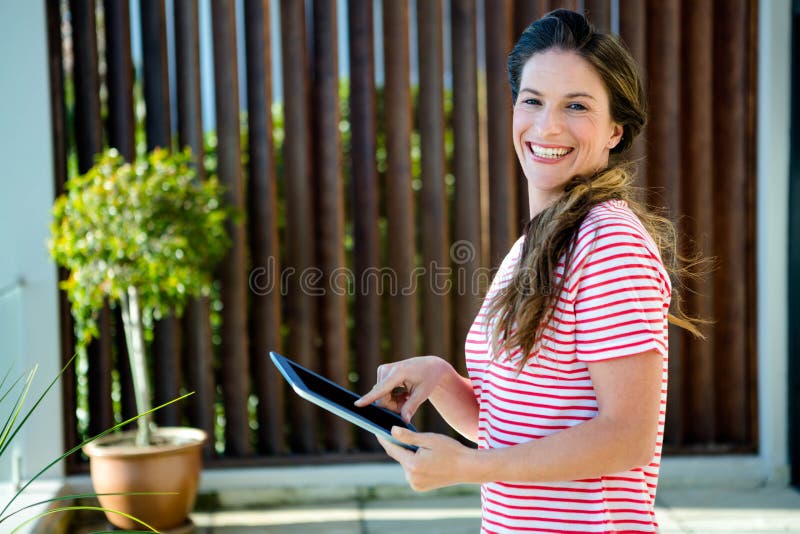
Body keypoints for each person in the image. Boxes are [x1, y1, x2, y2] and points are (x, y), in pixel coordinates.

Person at [355, 8, 704, 534]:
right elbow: (516, 428)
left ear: (615, 129)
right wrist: (441, 378)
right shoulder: (537, 244)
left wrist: (469, 468)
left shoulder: (608, 243)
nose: (548, 125)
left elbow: (627, 435)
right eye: (533, 101)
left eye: (577, 106)